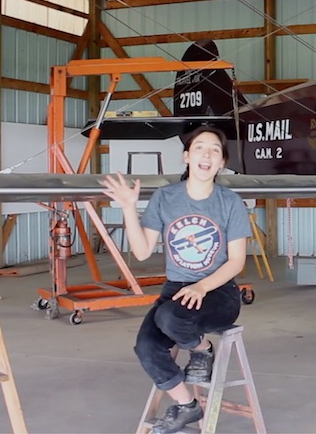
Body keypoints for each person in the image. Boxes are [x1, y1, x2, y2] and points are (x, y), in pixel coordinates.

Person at [103, 126, 249, 434]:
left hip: (219, 291)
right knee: (146, 346)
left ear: (222, 162)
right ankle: (187, 406)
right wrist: (129, 208)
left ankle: (202, 347)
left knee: (169, 316)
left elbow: (236, 261)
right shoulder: (165, 198)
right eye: (199, 148)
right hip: (177, 289)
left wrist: (201, 286)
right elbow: (142, 252)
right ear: (186, 156)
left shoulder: (230, 202)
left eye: (214, 150)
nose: (206, 154)